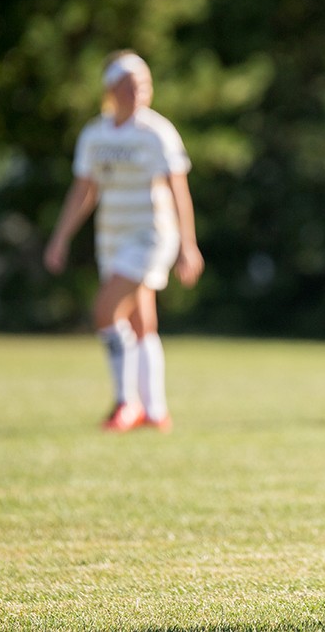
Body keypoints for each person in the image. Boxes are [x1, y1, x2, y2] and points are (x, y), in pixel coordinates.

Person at [44, 50, 204, 433]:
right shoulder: (94, 135)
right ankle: (155, 410)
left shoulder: (157, 132)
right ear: (111, 89)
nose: (140, 91)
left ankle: (125, 403)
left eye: (145, 84)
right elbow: (84, 190)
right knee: (140, 321)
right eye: (131, 85)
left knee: (105, 311)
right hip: (112, 239)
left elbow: (178, 190)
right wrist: (60, 237)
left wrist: (188, 244)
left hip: (150, 236)